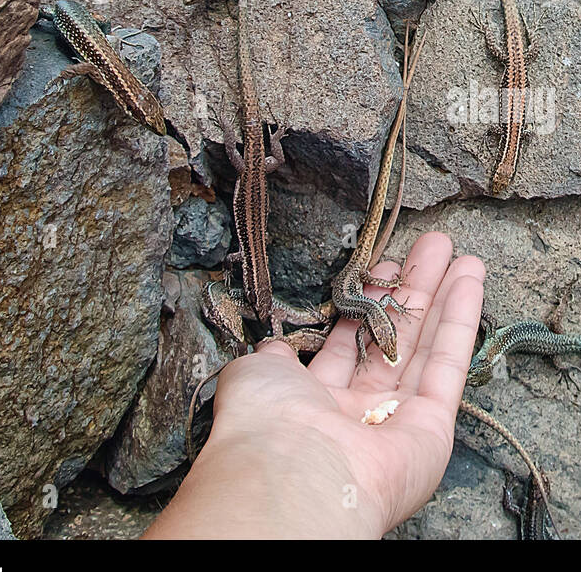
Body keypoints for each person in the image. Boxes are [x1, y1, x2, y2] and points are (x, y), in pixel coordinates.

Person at [144, 231, 484, 539]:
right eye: (385, 343)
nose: (384, 346)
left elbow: (376, 320)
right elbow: (366, 334)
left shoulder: (375, 318)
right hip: (351, 297)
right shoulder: (367, 321)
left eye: (386, 342)